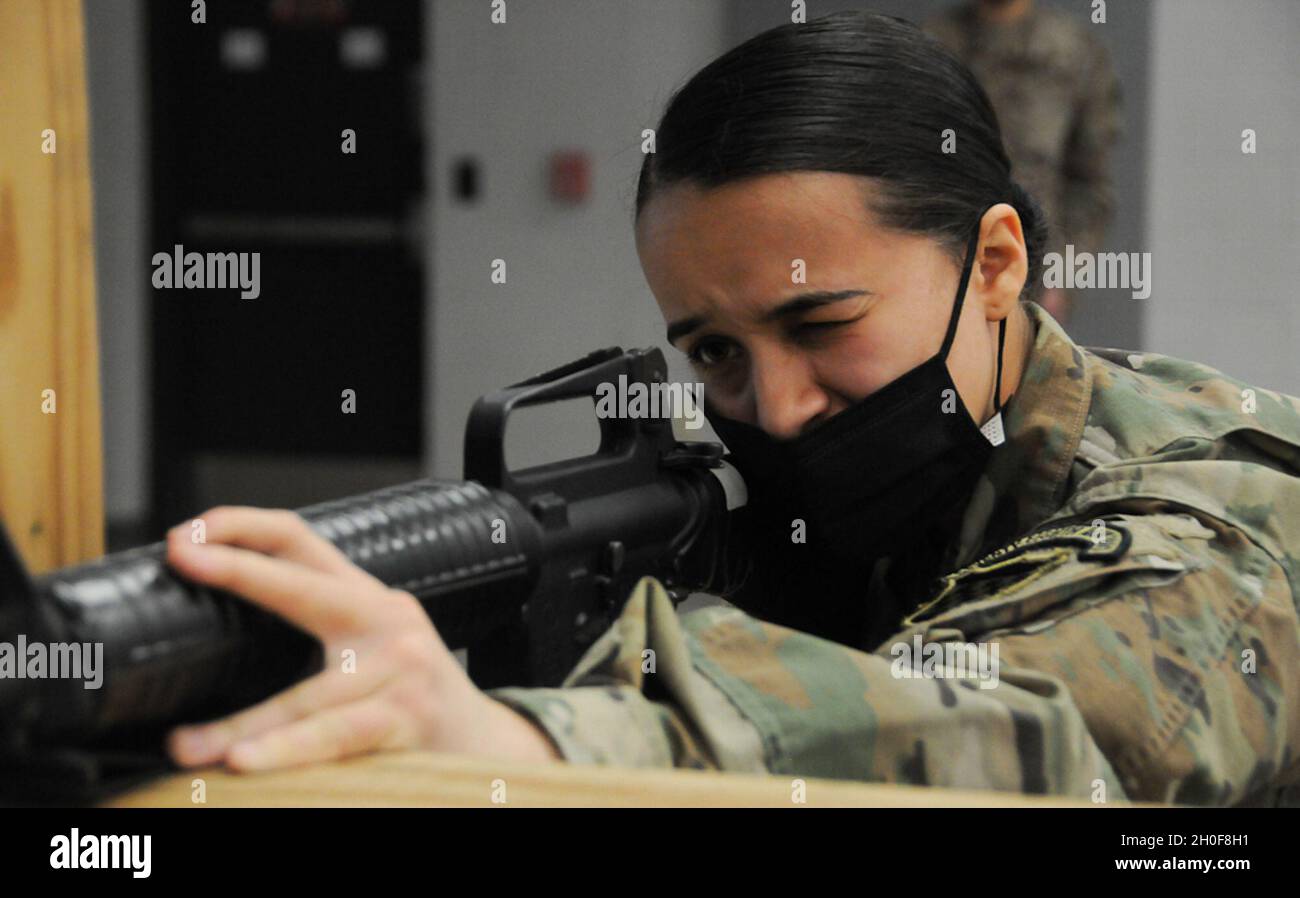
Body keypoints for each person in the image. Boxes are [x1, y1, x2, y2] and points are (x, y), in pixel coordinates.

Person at [161, 12, 1300, 805]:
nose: (780, 407)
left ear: (995, 264)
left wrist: (525, 742)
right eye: (714, 350)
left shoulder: (1211, 520)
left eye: (819, 325)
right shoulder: (762, 496)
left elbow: (1039, 740)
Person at [924, 0, 1122, 323]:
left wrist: (1063, 277)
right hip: (948, 259)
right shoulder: (935, 46)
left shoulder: (1075, 52)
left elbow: (1090, 186)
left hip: (1035, 272)